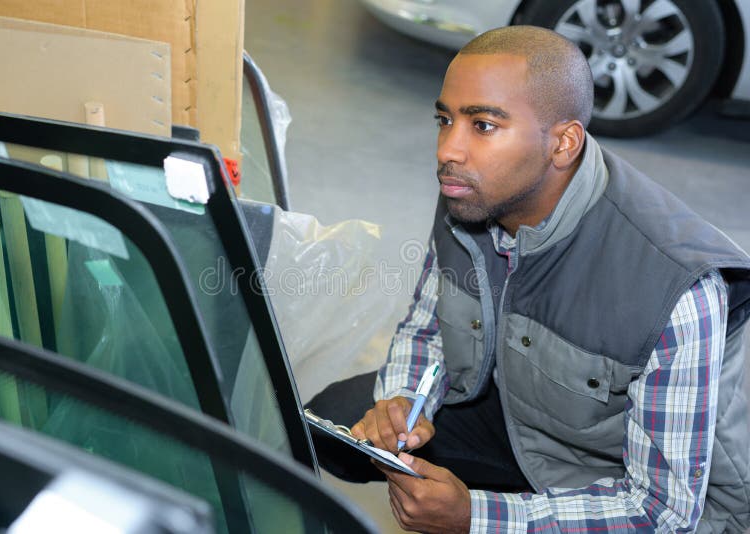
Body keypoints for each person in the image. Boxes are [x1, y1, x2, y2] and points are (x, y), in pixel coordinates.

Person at [306, 25, 750, 533]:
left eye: (484, 126)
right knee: (335, 424)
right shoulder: (474, 191)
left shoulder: (675, 286)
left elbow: (662, 512)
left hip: (624, 482)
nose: (448, 149)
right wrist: (404, 401)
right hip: (524, 418)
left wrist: (480, 517)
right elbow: (429, 328)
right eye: (444, 119)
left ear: (563, 143)